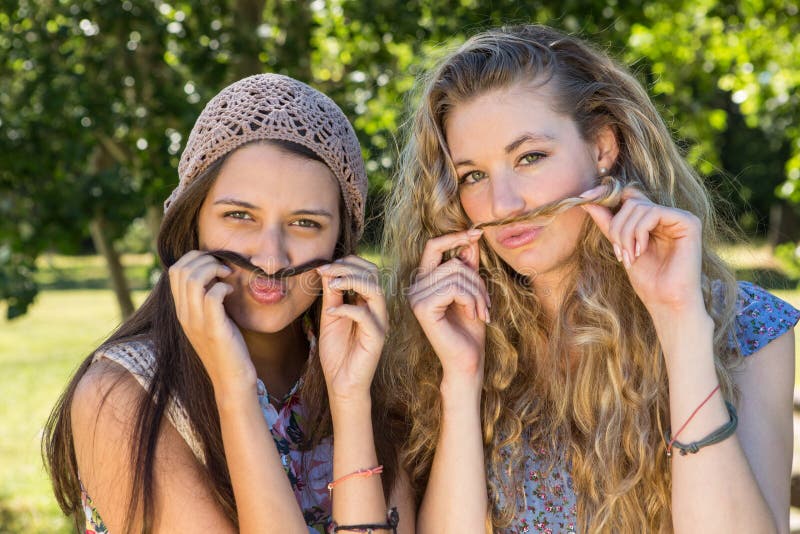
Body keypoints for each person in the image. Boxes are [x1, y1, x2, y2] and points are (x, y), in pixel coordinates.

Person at [382, 24, 798, 532]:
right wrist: (462, 378)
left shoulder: (746, 326)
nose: (503, 204)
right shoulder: (443, 339)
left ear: (602, 146)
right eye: (474, 175)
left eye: (529, 158)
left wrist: (679, 321)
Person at [43, 73, 413, 533]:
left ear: (342, 244)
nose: (271, 258)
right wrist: (235, 389)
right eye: (240, 216)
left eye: (305, 223)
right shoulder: (120, 396)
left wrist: (351, 401)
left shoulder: (377, 375)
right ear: (191, 221)